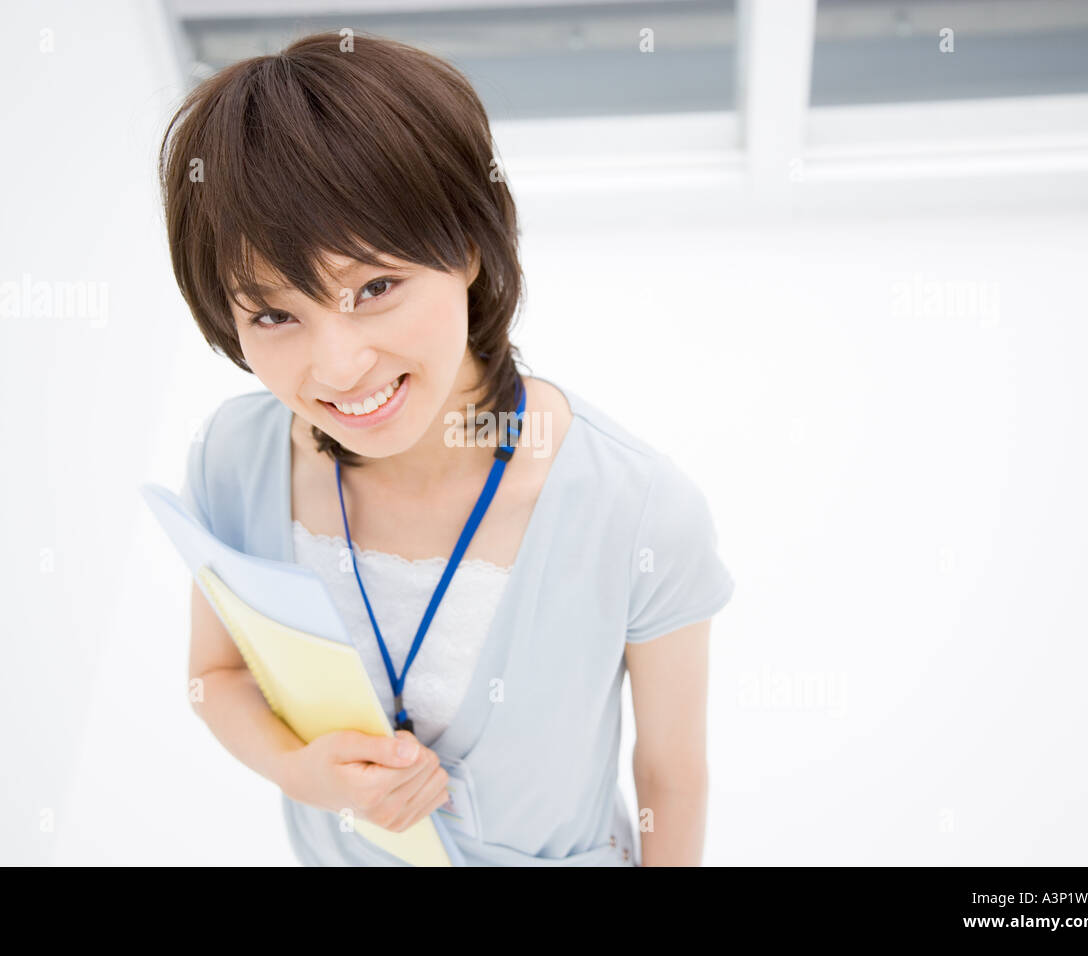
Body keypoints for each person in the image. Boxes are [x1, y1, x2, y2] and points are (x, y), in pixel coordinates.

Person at [158, 30, 735, 866]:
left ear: (468, 246)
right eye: (274, 315)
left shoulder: (636, 510)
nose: (338, 365)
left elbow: (672, 779)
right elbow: (214, 676)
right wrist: (304, 771)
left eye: (375, 288)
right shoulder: (232, 460)